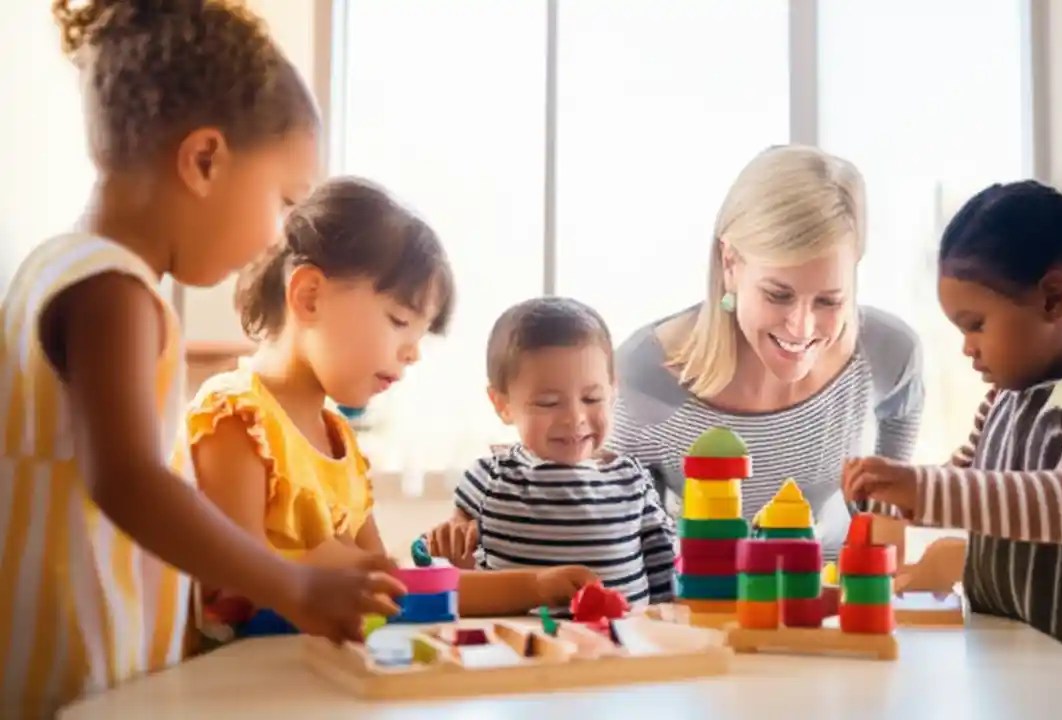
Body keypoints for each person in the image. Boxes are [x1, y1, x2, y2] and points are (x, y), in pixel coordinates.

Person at [0, 3, 402, 717]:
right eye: (283, 200)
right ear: (205, 160)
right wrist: (294, 584)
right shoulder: (109, 290)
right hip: (67, 682)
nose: (278, 235)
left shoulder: (57, 268)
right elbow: (128, 481)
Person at [188, 180, 598, 640]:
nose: (412, 353)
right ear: (310, 297)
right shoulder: (237, 415)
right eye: (400, 322)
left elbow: (396, 588)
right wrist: (332, 563)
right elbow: (232, 586)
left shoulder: (340, 443)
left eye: (420, 334)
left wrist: (535, 584)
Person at [844, 181, 1062, 711]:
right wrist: (883, 491)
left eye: (976, 325)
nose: (967, 348)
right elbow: (968, 482)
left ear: (1054, 298)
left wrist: (921, 488)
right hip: (1014, 660)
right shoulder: (1006, 402)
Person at [608, 145, 923, 556]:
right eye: (778, 294)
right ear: (730, 264)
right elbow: (618, 538)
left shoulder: (887, 354)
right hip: (701, 608)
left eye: (829, 301)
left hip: (832, 608)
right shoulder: (645, 372)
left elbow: (886, 523)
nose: (802, 328)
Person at [424, 297, 677, 611]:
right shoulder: (489, 478)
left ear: (613, 390)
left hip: (620, 651)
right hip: (524, 650)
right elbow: (449, 556)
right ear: (502, 404)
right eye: (548, 402)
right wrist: (451, 545)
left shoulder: (632, 480)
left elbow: (663, 567)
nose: (575, 417)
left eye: (592, 397)